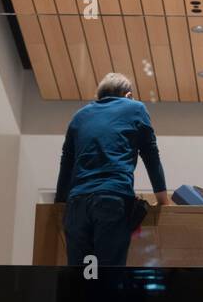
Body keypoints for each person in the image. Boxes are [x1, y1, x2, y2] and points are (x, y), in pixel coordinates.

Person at [55, 72, 171, 266]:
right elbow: (151, 155)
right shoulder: (135, 108)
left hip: (77, 204)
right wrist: (163, 202)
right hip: (111, 198)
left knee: (81, 276)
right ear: (127, 95)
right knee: (109, 274)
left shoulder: (79, 116)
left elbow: (66, 163)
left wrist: (59, 203)